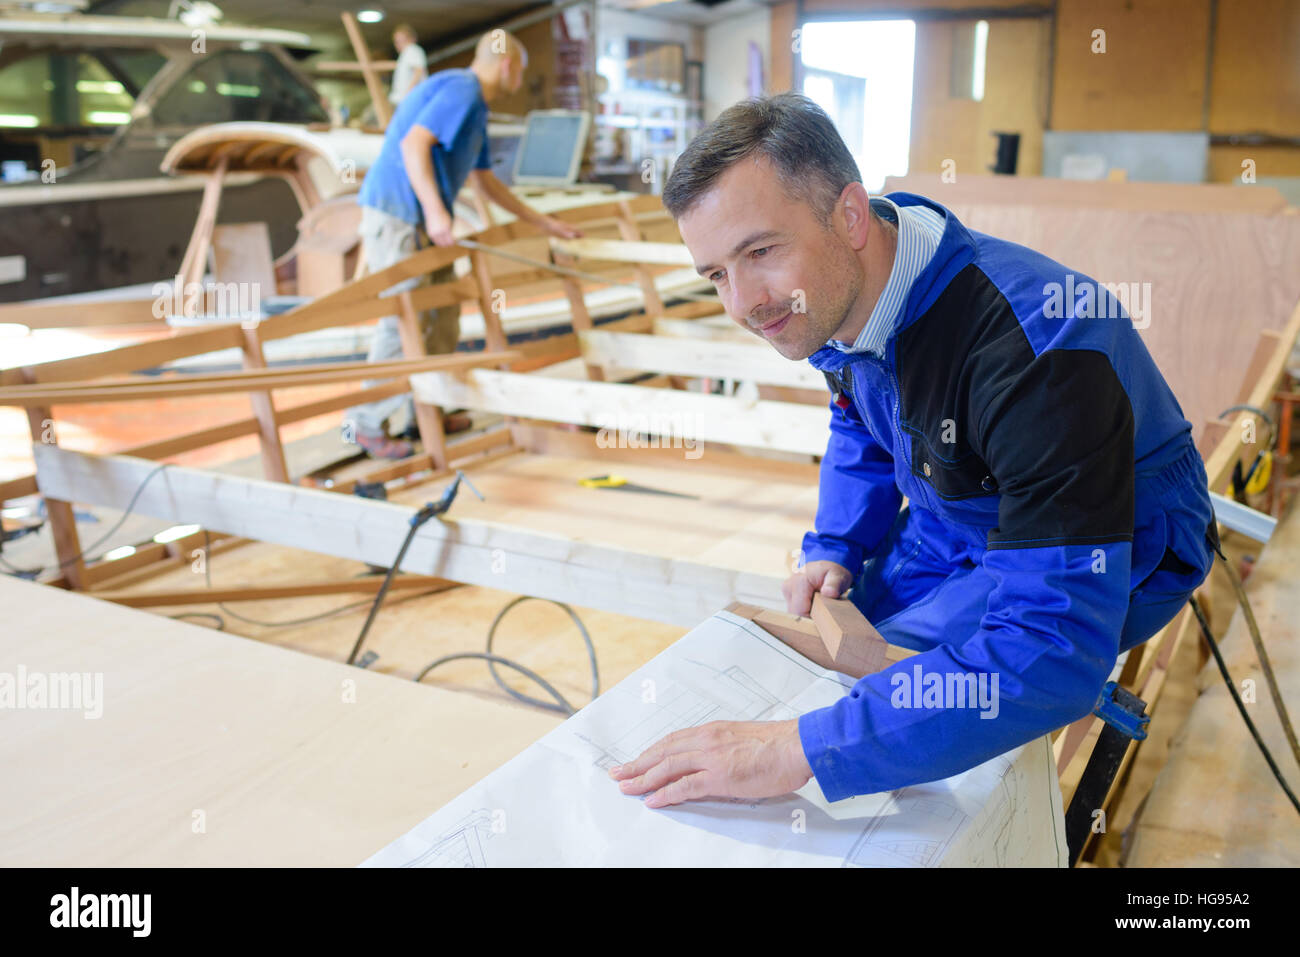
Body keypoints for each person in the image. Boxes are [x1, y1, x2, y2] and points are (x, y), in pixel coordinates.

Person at [608, 93, 1219, 808]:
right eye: (716, 274)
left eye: (760, 251)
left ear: (850, 215)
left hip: (1119, 532)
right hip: (953, 512)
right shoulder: (834, 296)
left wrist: (801, 750)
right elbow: (859, 415)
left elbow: (1050, 648)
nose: (743, 303)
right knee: (833, 649)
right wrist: (836, 545)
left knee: (906, 686)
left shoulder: (1039, 353)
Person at [345, 29, 581, 459]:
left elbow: (486, 181)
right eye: (520, 70)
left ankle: (424, 411)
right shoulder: (463, 90)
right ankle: (364, 424)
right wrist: (437, 212)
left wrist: (543, 223)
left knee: (442, 311)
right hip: (399, 214)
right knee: (405, 316)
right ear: (508, 64)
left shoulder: (475, 107)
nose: (518, 79)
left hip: (418, 217)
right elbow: (414, 144)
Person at [389, 24, 427, 106]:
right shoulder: (405, 55)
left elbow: (418, 71)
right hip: (404, 98)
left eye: (402, 40)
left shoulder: (412, 49)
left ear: (412, 39)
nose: (398, 44)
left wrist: (409, 93)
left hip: (409, 97)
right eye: (396, 41)